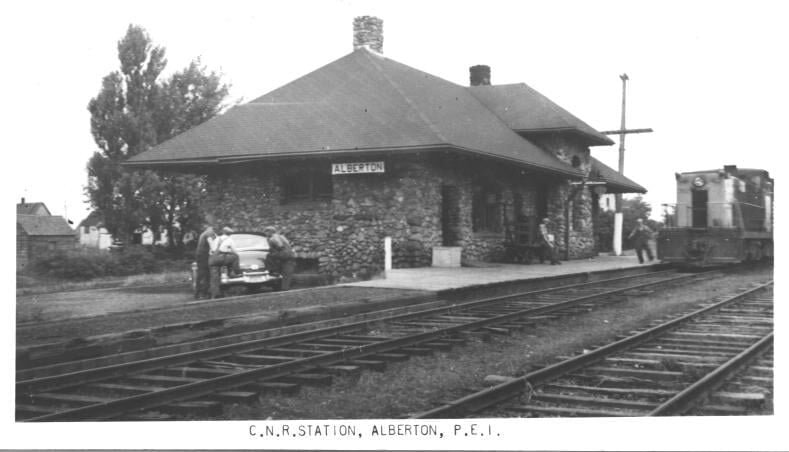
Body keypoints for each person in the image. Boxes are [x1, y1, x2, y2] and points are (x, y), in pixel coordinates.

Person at [263, 226, 296, 291]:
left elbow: (279, 246)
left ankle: (272, 271)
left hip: (284, 254)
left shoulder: (272, 238)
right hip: (290, 255)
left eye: (266, 232)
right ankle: (285, 288)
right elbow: (288, 245)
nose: (265, 234)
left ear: (270, 232)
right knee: (287, 273)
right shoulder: (282, 236)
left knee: (268, 256)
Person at [194, 219, 217, 299]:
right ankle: (202, 293)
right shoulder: (209, 233)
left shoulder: (204, 233)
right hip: (203, 256)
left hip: (200, 256)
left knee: (202, 275)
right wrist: (215, 251)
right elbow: (211, 244)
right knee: (204, 274)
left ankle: (200, 293)